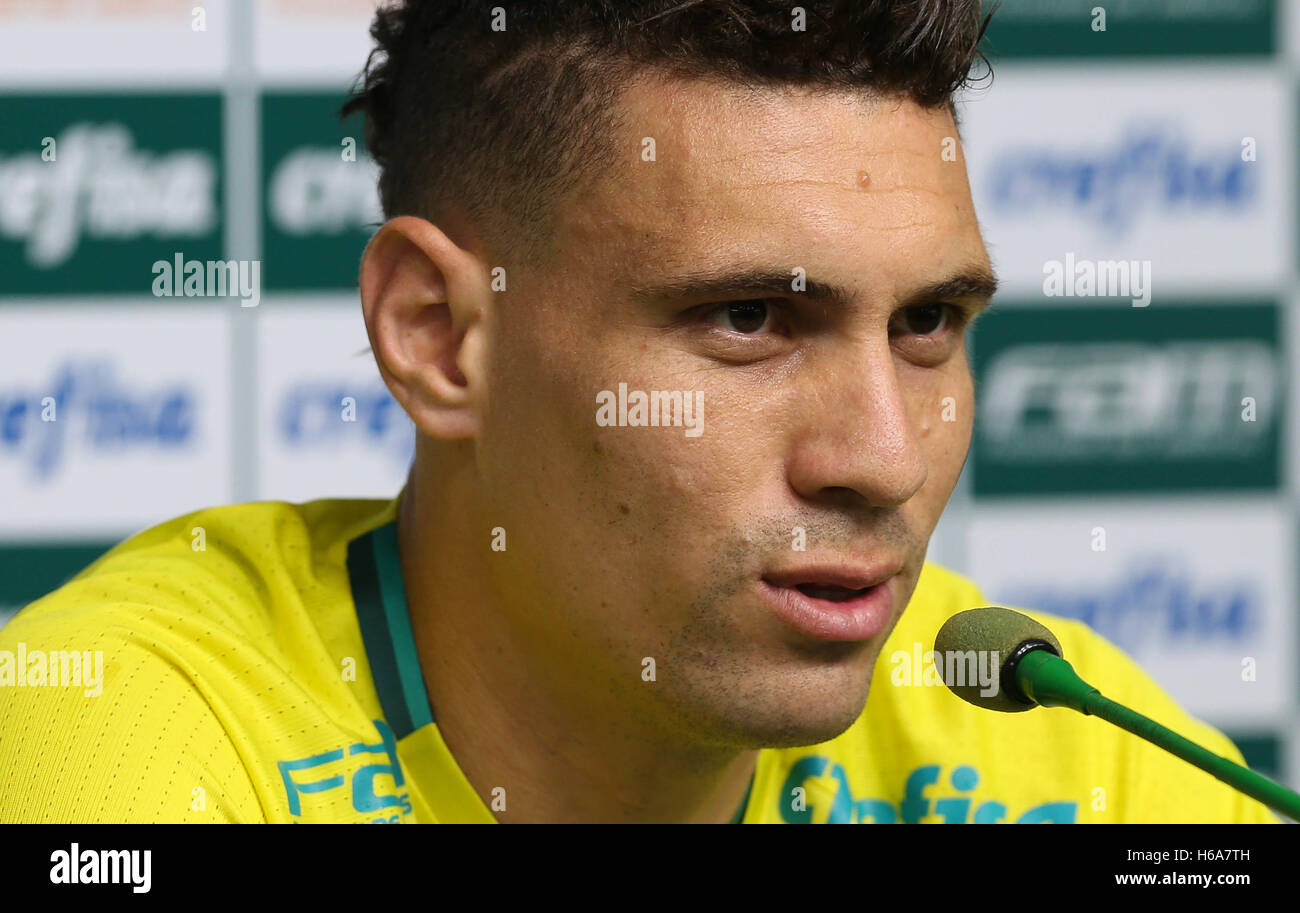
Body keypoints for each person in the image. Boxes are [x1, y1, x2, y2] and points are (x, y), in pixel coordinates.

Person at [0, 0, 1277, 823]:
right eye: (749, 321)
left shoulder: (1061, 746)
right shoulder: (114, 748)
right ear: (438, 336)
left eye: (926, 324)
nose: (883, 460)